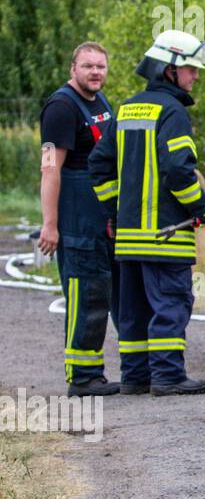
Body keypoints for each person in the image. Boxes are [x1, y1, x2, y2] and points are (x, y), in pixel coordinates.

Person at [89, 30, 205, 396]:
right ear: (169, 70)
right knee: (171, 303)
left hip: (129, 237)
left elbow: (99, 164)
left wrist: (115, 211)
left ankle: (135, 377)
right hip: (166, 234)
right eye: (191, 69)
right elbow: (179, 169)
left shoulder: (126, 108)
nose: (195, 77)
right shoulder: (173, 111)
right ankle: (168, 377)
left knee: (133, 308)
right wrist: (200, 207)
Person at [39, 42, 119, 396]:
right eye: (87, 66)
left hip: (98, 214)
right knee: (83, 291)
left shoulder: (100, 102)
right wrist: (50, 224)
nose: (95, 72)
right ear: (73, 68)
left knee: (100, 289)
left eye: (100, 66)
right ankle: (81, 377)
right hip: (74, 218)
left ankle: (94, 372)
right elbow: (49, 168)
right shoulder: (60, 107)